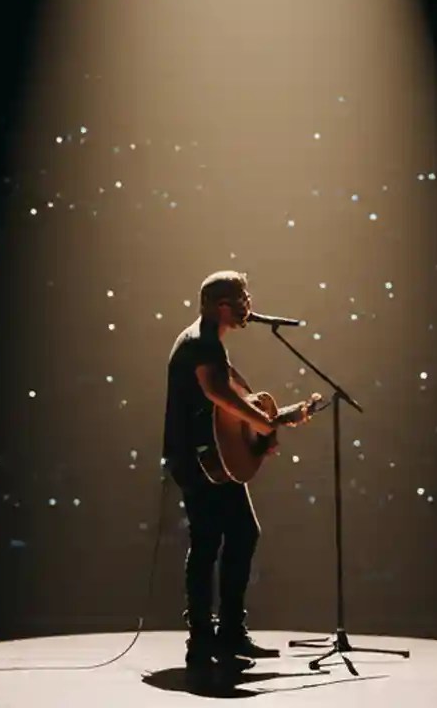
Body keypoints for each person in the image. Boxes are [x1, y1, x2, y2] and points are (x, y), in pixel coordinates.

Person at [161, 270, 311, 672]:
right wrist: (264, 424)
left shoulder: (208, 342)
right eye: (243, 298)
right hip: (196, 460)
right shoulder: (202, 343)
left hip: (210, 455)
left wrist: (272, 417)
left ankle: (229, 633)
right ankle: (202, 640)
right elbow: (218, 393)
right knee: (208, 540)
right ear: (222, 305)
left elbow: (228, 401)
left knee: (241, 533)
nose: (249, 306)